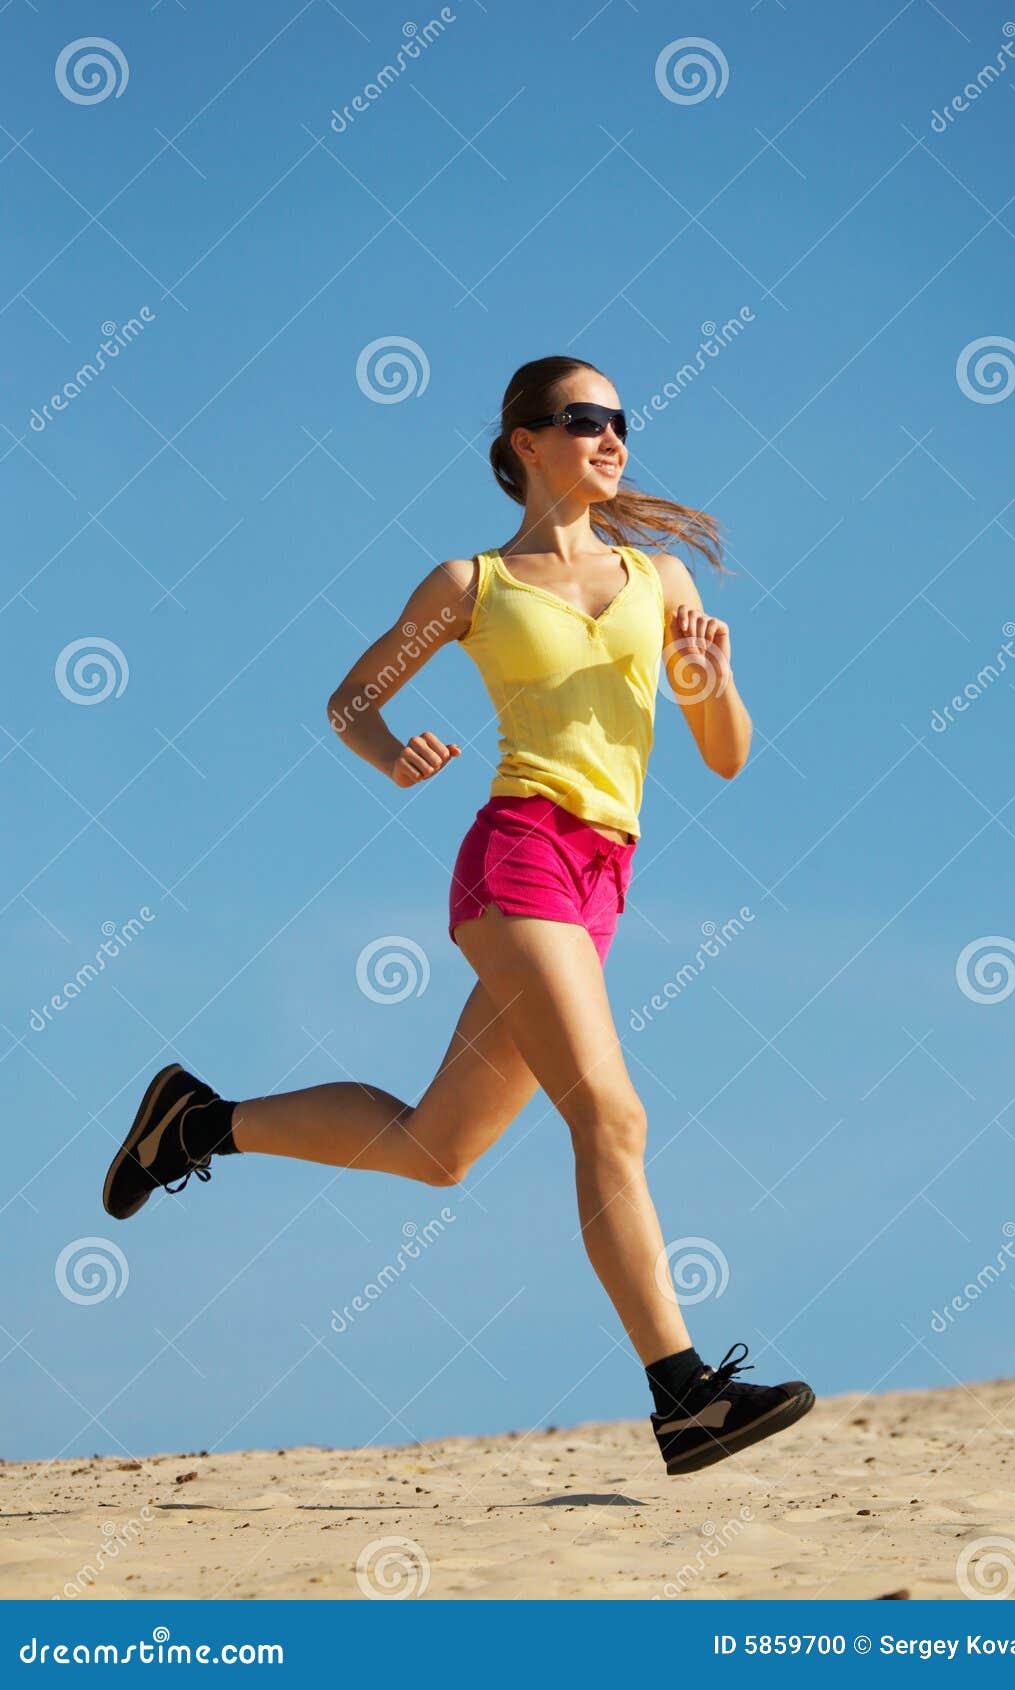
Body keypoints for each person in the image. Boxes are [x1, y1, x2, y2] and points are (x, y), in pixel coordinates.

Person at [101, 355, 814, 1476]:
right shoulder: (470, 583)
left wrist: (707, 675)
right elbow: (352, 697)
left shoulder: (662, 579)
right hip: (518, 857)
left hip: (604, 880)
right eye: (585, 418)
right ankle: (686, 1397)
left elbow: (724, 757)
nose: (612, 436)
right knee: (613, 1117)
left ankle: (196, 1122)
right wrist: (392, 756)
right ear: (525, 441)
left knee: (438, 1148)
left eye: (621, 419)